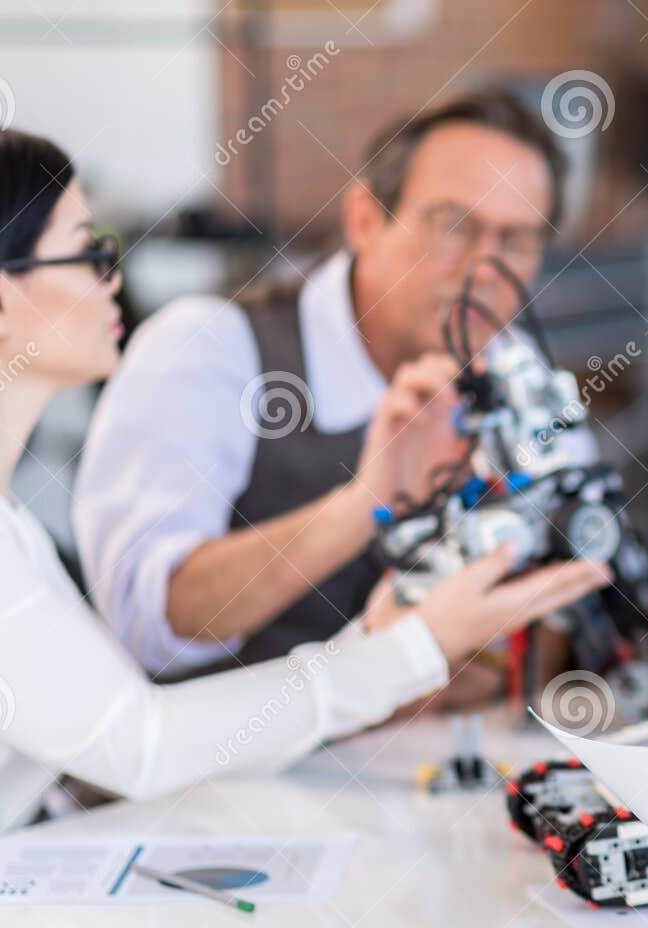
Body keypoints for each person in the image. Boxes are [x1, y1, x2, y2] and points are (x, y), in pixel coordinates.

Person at [0, 124, 608, 854]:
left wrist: (372, 642)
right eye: (91, 252)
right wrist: (409, 651)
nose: (114, 279)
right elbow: (138, 742)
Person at [74, 88, 589, 685]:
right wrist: (363, 506)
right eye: (453, 226)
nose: (486, 270)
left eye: (519, 241)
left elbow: (561, 609)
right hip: (229, 772)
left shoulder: (515, 366)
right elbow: (149, 620)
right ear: (364, 219)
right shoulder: (209, 349)